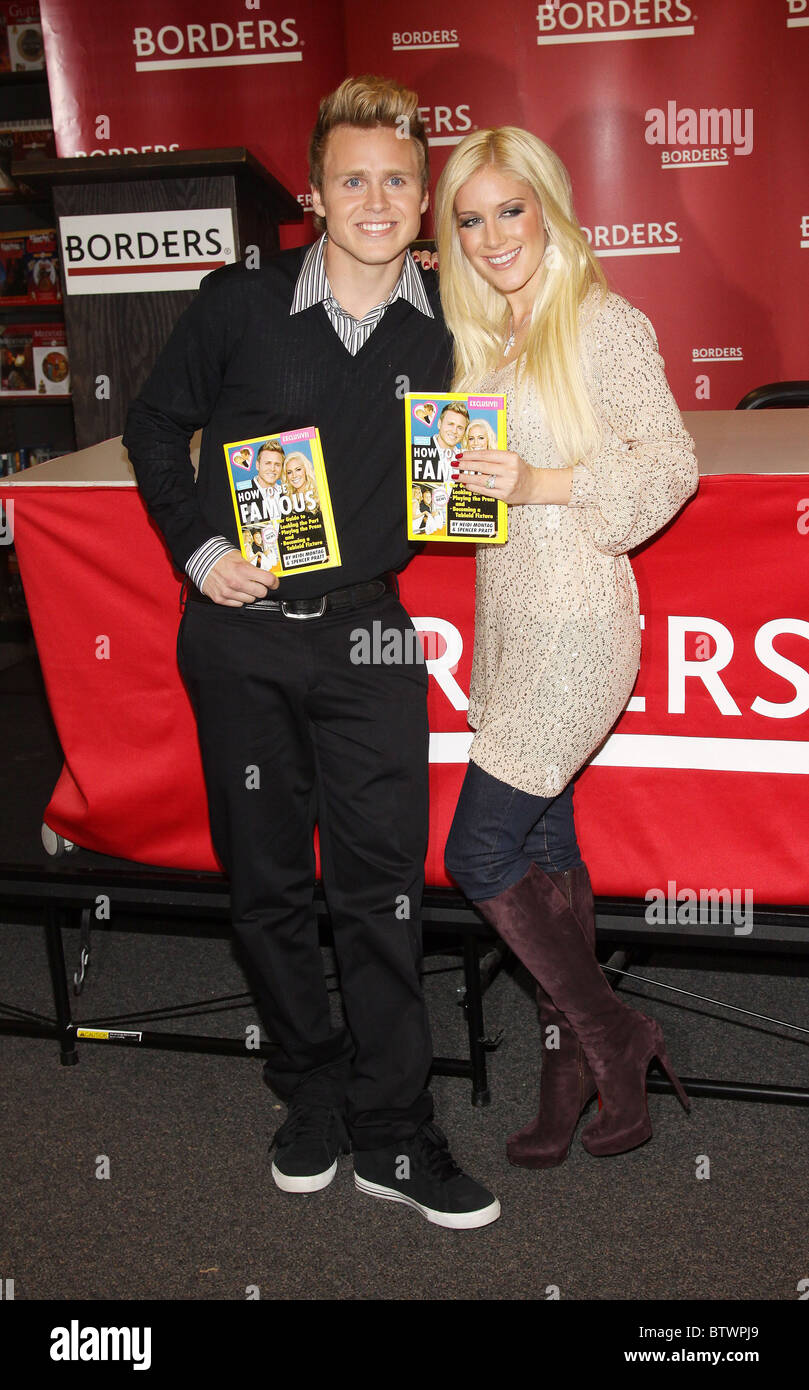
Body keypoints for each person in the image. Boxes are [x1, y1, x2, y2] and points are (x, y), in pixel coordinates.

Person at [122, 76, 500, 1230]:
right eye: (352, 179)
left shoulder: (454, 327)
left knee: (379, 887)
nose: (374, 199)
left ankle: (395, 1129)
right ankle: (312, 1088)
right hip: (235, 635)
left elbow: (503, 441)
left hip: (371, 634)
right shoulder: (237, 304)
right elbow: (151, 422)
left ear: (423, 194)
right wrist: (194, 548)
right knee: (269, 885)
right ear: (314, 191)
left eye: (396, 179)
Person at [435, 126, 699, 1166]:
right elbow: (478, 495)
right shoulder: (487, 336)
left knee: (477, 850)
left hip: (578, 619)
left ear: (545, 205)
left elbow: (667, 464)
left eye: (509, 209)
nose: (493, 234)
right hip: (510, 618)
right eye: (469, 217)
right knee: (542, 849)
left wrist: (538, 483)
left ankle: (612, 1033)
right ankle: (567, 1067)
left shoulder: (598, 320)